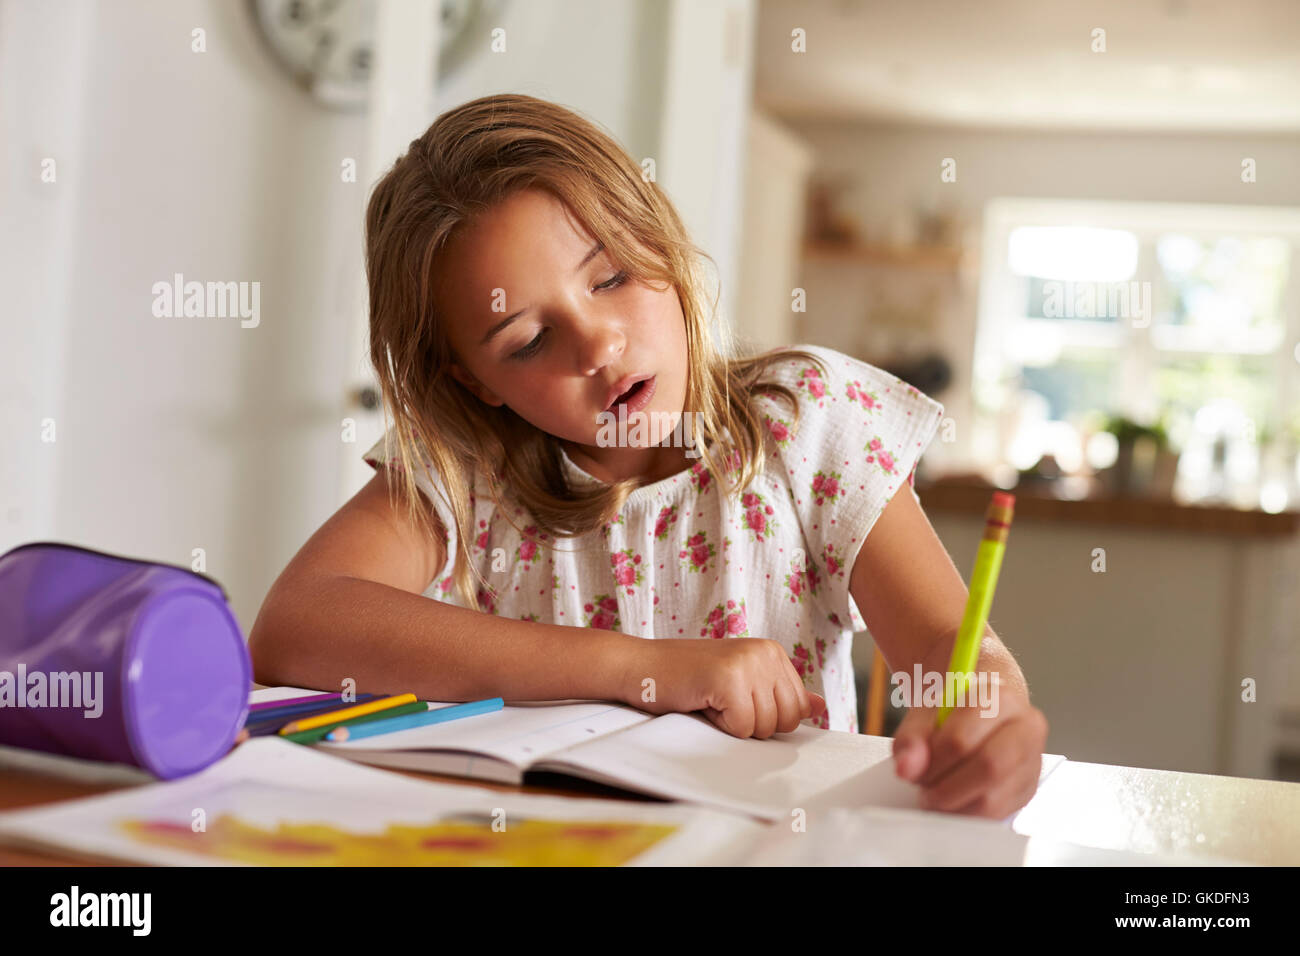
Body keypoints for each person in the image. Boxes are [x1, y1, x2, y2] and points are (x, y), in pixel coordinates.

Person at [249, 93, 1048, 819]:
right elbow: (297, 623)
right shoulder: (468, 463)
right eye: (528, 340)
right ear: (475, 381)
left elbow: (947, 644)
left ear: (660, 242)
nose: (598, 345)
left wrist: (989, 708)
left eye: (612, 278)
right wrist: (643, 666)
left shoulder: (808, 421)